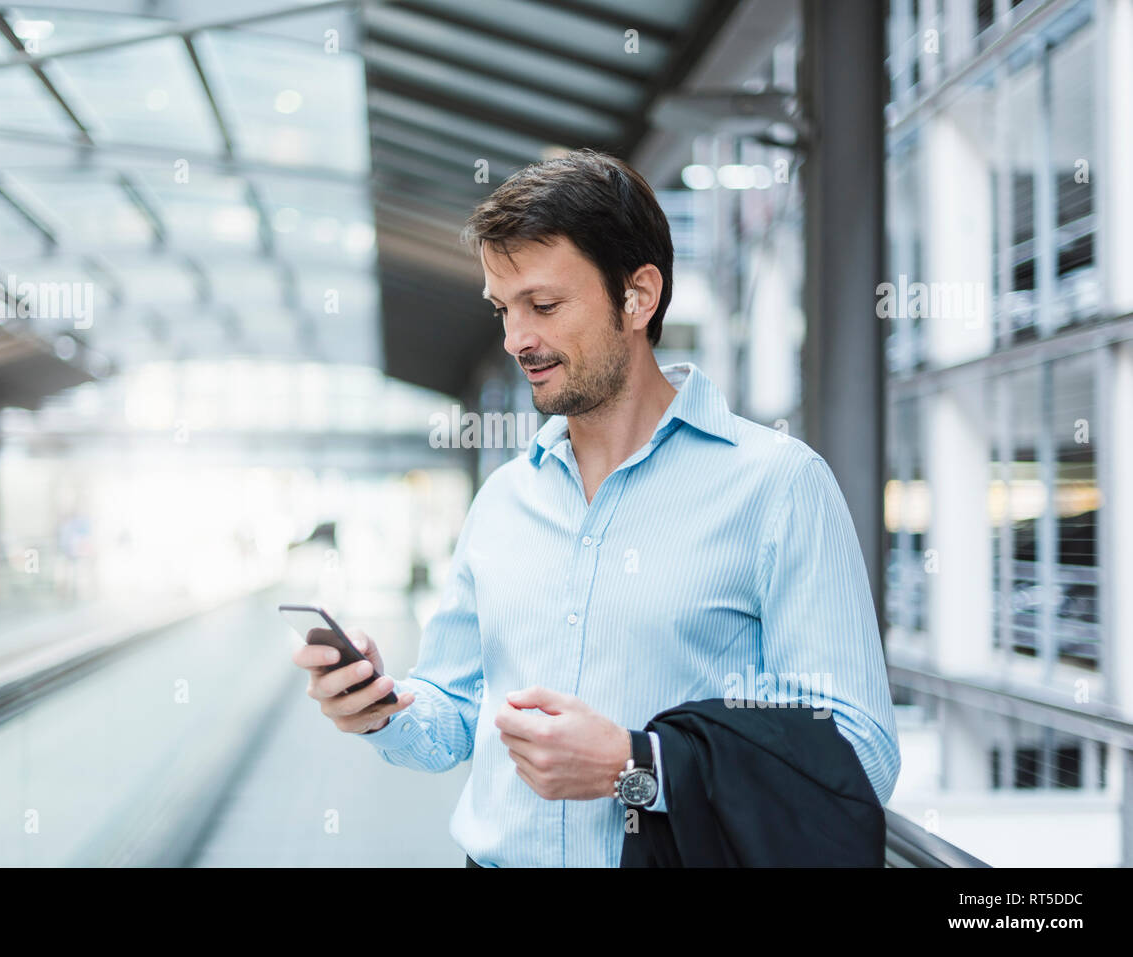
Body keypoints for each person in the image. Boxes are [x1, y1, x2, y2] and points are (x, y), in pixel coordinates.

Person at [291, 148, 901, 867]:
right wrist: (382, 706)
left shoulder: (778, 487)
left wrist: (634, 765)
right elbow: (456, 715)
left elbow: (860, 756)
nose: (517, 338)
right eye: (504, 309)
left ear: (638, 296)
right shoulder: (505, 500)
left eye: (543, 305)